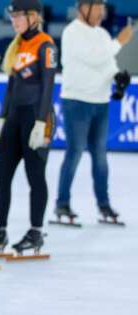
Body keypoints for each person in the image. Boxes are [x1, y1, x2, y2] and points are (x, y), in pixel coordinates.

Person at [0, 0, 57, 255]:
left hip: (35, 118)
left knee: (35, 177)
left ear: (33, 17)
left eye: (18, 16)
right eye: (12, 17)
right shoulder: (19, 45)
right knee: (1, 178)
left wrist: (41, 122)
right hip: (13, 119)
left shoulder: (45, 44)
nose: (13, 21)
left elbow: (48, 85)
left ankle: (36, 231)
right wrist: (2, 117)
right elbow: (11, 87)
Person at [54, 0, 133, 224]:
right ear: (83, 8)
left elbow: (107, 64)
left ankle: (103, 204)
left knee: (100, 157)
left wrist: (118, 77)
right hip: (76, 102)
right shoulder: (72, 33)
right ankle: (62, 203)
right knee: (75, 152)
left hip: (100, 102)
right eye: (98, 9)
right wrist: (119, 41)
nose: (102, 14)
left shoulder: (102, 34)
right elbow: (94, 57)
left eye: (103, 9)